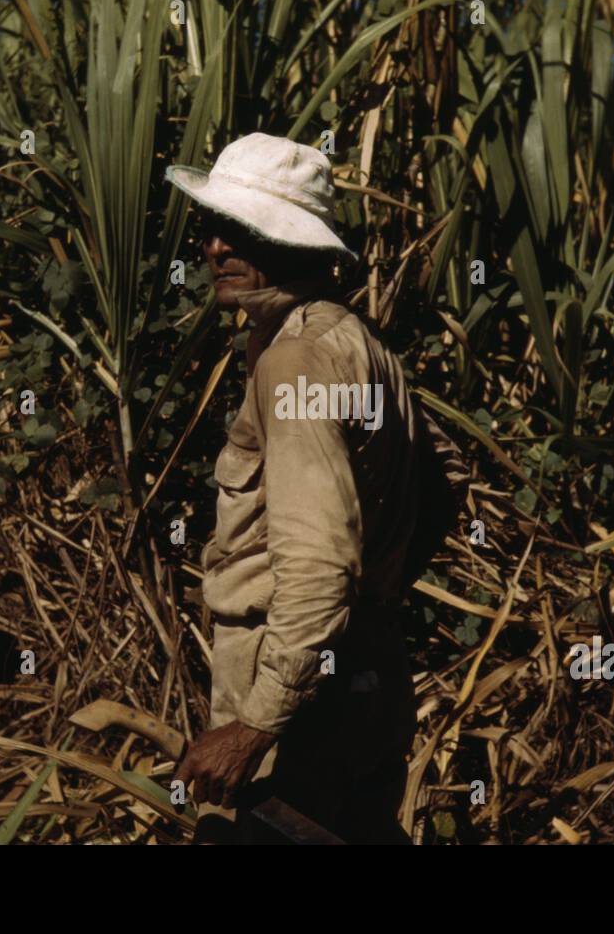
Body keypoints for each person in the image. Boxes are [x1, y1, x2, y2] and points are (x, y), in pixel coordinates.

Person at [169, 133, 468, 843]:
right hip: (365, 682)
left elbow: (317, 562)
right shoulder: (354, 343)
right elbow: (446, 475)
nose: (214, 248)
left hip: (305, 715)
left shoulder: (297, 361)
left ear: (298, 246)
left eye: (242, 231)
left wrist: (256, 724)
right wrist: (376, 603)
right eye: (213, 228)